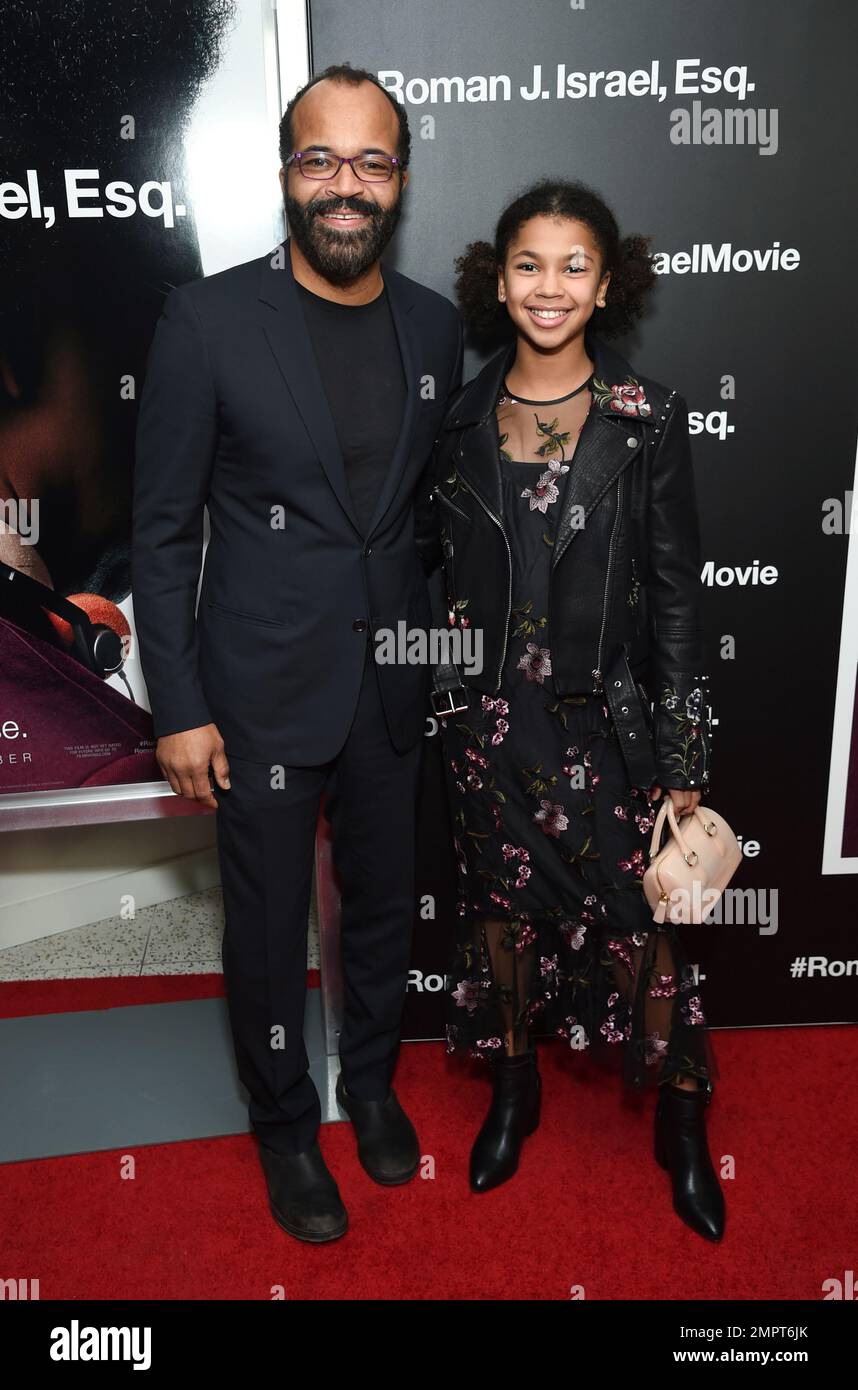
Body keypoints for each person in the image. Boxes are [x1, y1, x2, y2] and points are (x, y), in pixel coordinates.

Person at [132, 64, 462, 1243]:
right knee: (269, 930)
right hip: (257, 692)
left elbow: (422, 521)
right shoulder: (208, 320)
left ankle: (366, 1083)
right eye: (320, 158)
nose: (345, 185)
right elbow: (163, 531)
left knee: (382, 906)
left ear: (399, 181)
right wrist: (177, 703)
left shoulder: (434, 324)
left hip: (390, 685)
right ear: (286, 174)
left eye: (371, 162)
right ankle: (284, 1124)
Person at [425, 179, 724, 1241]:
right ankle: (514, 1092)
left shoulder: (645, 422)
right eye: (528, 265)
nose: (549, 287)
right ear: (497, 280)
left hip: (605, 725)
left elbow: (681, 590)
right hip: (488, 729)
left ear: (605, 285)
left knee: (646, 926)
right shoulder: (456, 419)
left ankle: (682, 1120)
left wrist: (685, 751)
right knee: (500, 919)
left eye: (573, 266)